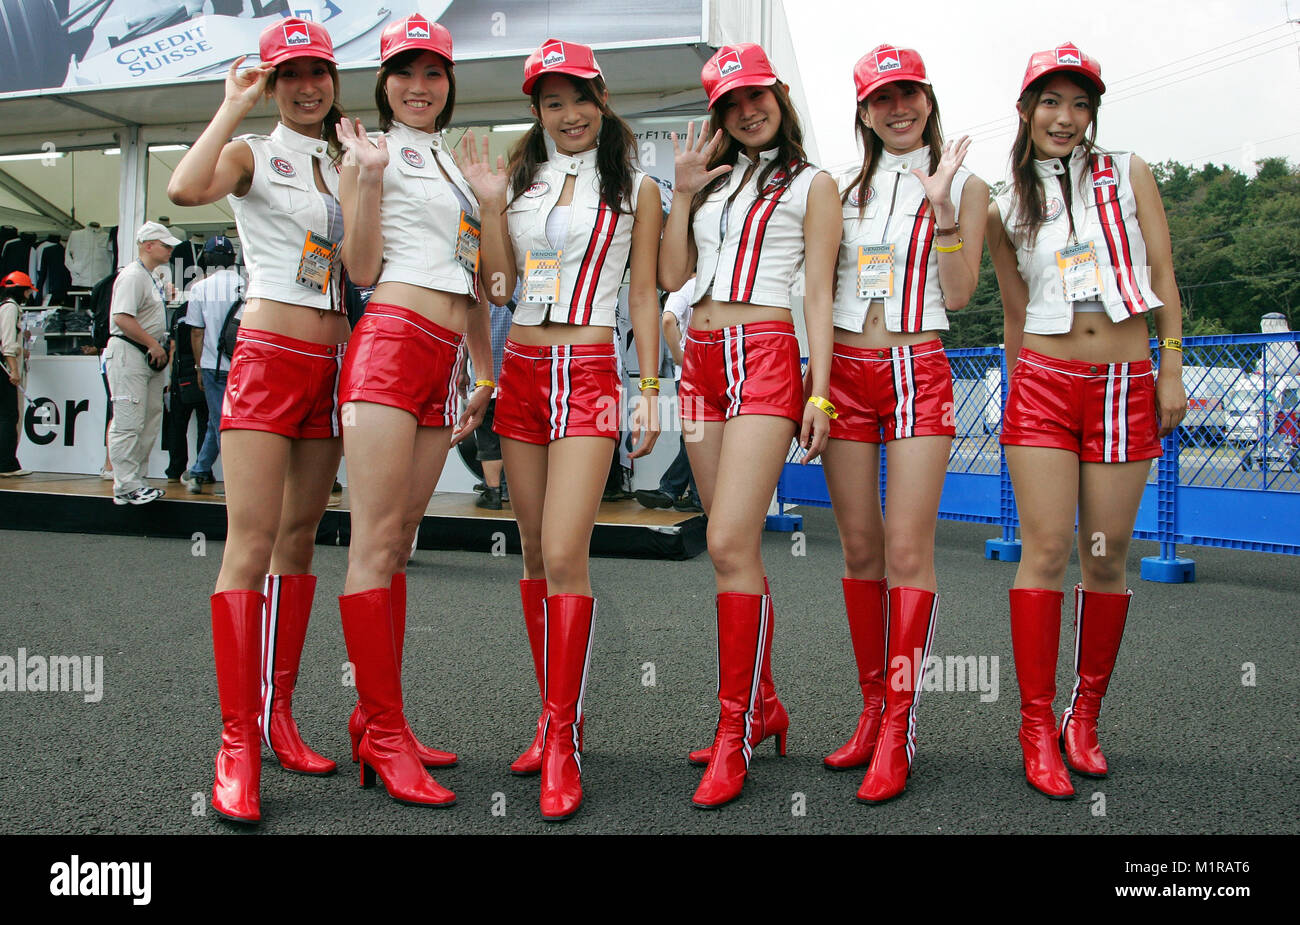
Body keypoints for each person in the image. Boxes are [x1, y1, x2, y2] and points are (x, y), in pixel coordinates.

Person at [459, 38, 662, 821]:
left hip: (590, 373)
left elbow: (643, 293)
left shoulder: (638, 186)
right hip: (522, 373)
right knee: (534, 554)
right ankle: (553, 717)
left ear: (601, 100)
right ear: (536, 110)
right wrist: (487, 206)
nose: (568, 113)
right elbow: (503, 286)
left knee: (565, 549)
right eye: (551, 101)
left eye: (579, 96)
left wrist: (648, 387)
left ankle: (565, 736)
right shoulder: (519, 180)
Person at [986, 43, 1185, 800]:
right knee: (1043, 552)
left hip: (1126, 380)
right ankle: (1035, 726)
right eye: (1050, 102)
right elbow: (1010, 304)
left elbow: (1162, 275)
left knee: (1104, 556)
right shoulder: (1005, 197)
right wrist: (1013, 389)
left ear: (1092, 112)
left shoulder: (1128, 170)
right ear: (1026, 109)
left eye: (1079, 104)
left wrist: (1170, 366)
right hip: (1042, 379)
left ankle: (1084, 715)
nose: (1065, 118)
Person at [168, 17, 352, 824]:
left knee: (300, 540)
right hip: (269, 353)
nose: (306, 85)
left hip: (333, 362)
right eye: (290, 75)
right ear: (273, 83)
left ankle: (280, 717)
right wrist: (231, 107)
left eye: (317, 71)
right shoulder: (253, 150)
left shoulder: (348, 154)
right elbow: (182, 189)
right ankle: (236, 742)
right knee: (248, 543)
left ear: (334, 78)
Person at [659, 44, 838, 808]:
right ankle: (761, 704)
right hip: (698, 356)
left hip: (766, 355)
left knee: (733, 539)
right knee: (724, 543)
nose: (746, 111)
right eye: (730, 103)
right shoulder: (712, 181)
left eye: (755, 96)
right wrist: (682, 193)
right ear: (719, 114)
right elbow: (673, 277)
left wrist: (820, 393)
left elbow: (821, 298)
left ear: (779, 95)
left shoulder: (815, 183)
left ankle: (733, 732)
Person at [820, 46, 988, 804]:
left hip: (918, 363)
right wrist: (816, 386)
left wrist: (945, 207)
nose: (897, 108)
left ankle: (900, 724)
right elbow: (814, 290)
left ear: (927, 98)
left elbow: (960, 291)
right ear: (862, 111)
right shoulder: (839, 187)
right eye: (882, 98)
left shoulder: (968, 185)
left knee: (906, 544)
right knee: (858, 544)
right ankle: (868, 708)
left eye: (909, 94)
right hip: (847, 373)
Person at [333, 14, 493, 808]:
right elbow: (361, 267)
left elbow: (472, 274)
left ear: (449, 82)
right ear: (384, 82)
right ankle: (384, 735)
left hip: (444, 356)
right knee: (373, 540)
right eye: (405, 72)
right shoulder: (368, 151)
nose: (419, 87)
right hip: (390, 342)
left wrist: (479, 369)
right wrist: (361, 175)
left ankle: (378, 717)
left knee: (399, 540)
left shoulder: (454, 163)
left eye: (433, 73)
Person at [105, 222, 178, 505]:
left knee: (148, 418)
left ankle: (135, 481)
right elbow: (121, 317)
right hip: (130, 352)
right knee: (129, 419)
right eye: (165, 245)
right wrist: (152, 343)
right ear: (148, 245)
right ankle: (126, 483)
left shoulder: (148, 276)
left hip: (146, 354)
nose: (170, 250)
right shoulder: (133, 276)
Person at [181, 235, 244, 494]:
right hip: (242, 363)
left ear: (206, 259)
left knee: (220, 420)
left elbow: (196, 331)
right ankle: (198, 470)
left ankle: (235, 480)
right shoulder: (245, 285)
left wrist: (198, 366)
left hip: (212, 364)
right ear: (232, 258)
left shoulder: (199, 288)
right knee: (220, 419)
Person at [635, 278, 702, 513]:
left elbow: (668, 319)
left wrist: (679, 357)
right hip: (714, 370)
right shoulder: (718, 283)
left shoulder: (685, 286)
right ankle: (692, 494)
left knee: (694, 436)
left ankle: (674, 490)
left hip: (688, 375)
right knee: (698, 436)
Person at [0, 271, 32, 477]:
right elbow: (7, 341)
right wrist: (13, 369)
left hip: (5, 365)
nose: (30, 293)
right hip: (5, 368)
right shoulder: (11, 308)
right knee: (9, 416)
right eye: (28, 289)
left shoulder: (5, 306)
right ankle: (7, 463)